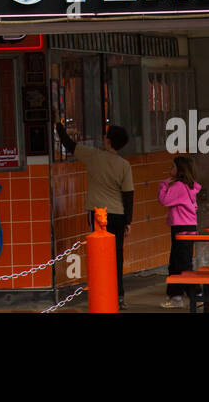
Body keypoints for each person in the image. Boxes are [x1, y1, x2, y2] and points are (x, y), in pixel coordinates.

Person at [55, 118, 133, 309]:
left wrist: (58, 125)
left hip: (98, 214)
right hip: (118, 214)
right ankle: (119, 295)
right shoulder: (124, 165)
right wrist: (128, 221)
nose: (103, 138)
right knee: (117, 255)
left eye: (106, 136)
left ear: (108, 141)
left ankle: (101, 293)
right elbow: (128, 195)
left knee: (99, 255)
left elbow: (68, 144)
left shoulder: (93, 156)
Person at [157, 156, 200, 309]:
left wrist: (163, 185)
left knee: (181, 263)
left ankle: (196, 294)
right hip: (189, 226)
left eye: (172, 167)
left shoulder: (178, 186)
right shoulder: (189, 186)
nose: (170, 169)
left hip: (180, 227)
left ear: (180, 170)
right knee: (179, 261)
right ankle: (176, 296)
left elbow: (164, 200)